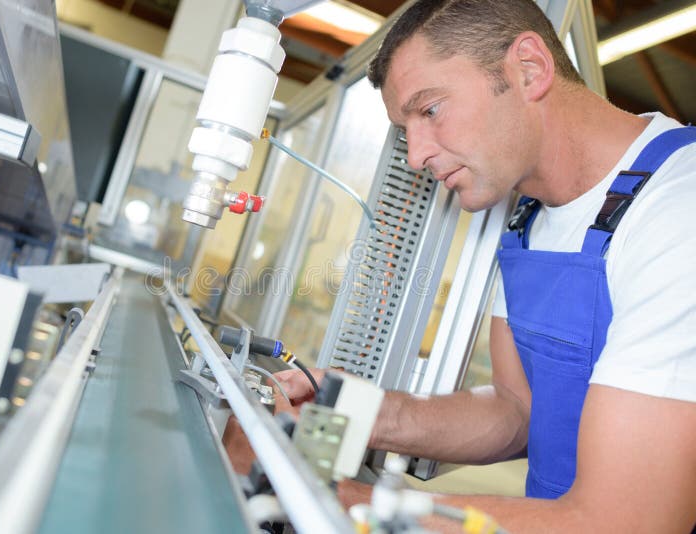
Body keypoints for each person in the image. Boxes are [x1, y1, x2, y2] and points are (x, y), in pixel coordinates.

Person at [276, 0, 696, 531]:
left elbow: (626, 521)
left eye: (428, 110)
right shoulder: (526, 220)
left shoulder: (679, 208)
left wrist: (326, 499)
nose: (415, 156)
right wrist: (348, 411)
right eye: (405, 129)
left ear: (529, 69)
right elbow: (516, 410)